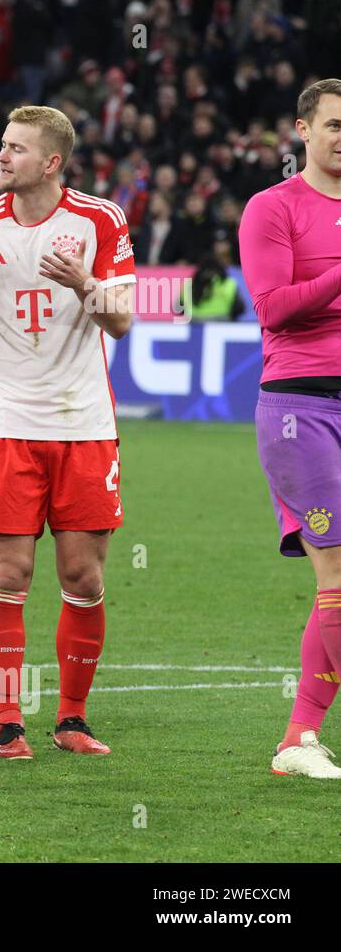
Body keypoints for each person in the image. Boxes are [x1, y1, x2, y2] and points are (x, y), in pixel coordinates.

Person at [0, 105, 136, 759]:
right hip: (7, 428)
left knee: (83, 577)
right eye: (1, 145)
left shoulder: (101, 220)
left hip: (84, 427)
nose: (2, 158)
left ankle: (72, 719)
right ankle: (7, 722)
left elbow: (123, 321)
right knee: (9, 572)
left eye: (16, 149)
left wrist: (85, 283)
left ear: (51, 162)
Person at [239, 79, 341, 778]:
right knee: (338, 572)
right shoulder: (272, 208)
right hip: (300, 407)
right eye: (334, 124)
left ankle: (298, 740)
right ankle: (296, 741)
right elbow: (274, 308)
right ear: (303, 130)